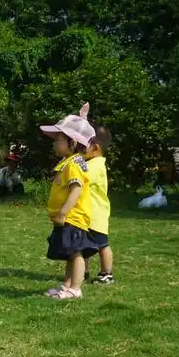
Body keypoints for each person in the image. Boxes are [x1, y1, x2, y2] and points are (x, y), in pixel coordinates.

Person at [40, 104, 98, 300]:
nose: (55, 143)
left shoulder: (73, 164)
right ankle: (67, 285)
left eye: (59, 140)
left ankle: (75, 288)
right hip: (68, 218)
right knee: (69, 253)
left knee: (76, 253)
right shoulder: (68, 162)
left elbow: (76, 189)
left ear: (72, 143)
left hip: (72, 217)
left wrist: (63, 213)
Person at [85, 126, 114, 285]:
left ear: (95, 148)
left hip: (96, 215)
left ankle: (107, 273)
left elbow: (83, 179)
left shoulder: (95, 165)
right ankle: (83, 271)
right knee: (83, 246)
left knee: (102, 245)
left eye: (84, 146)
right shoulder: (92, 162)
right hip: (87, 214)